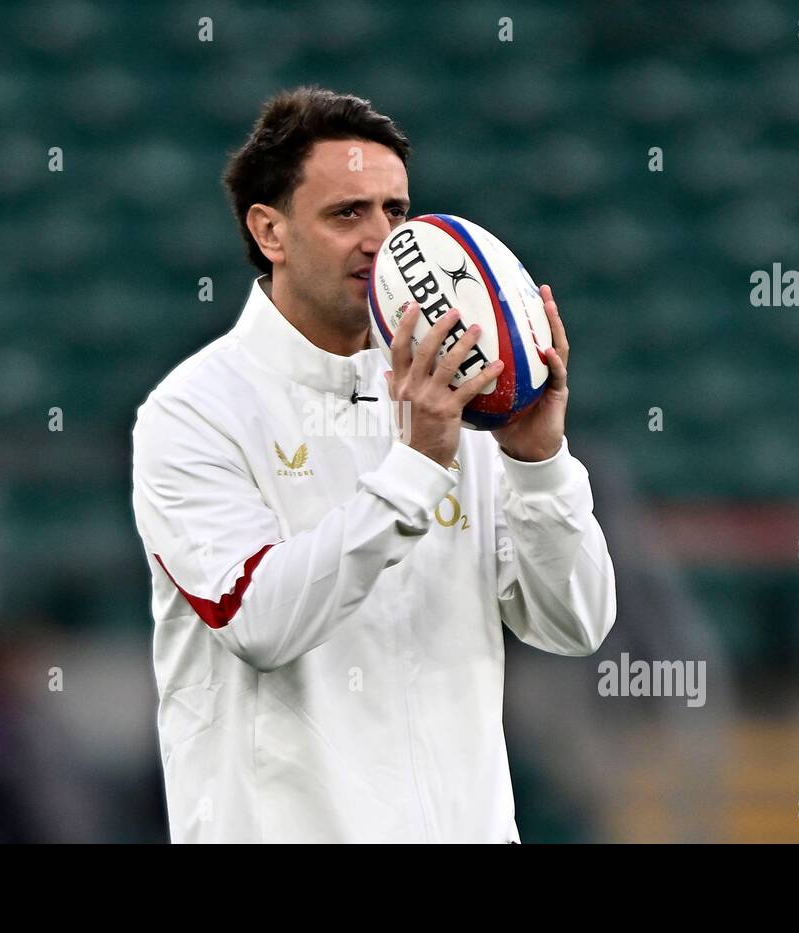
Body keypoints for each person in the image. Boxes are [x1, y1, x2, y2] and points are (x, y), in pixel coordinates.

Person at [130, 85, 616, 842]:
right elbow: (256, 621)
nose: (382, 239)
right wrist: (415, 467)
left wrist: (538, 461)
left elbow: (577, 621)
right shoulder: (194, 411)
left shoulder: (459, 393)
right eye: (347, 213)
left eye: (396, 211)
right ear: (270, 231)